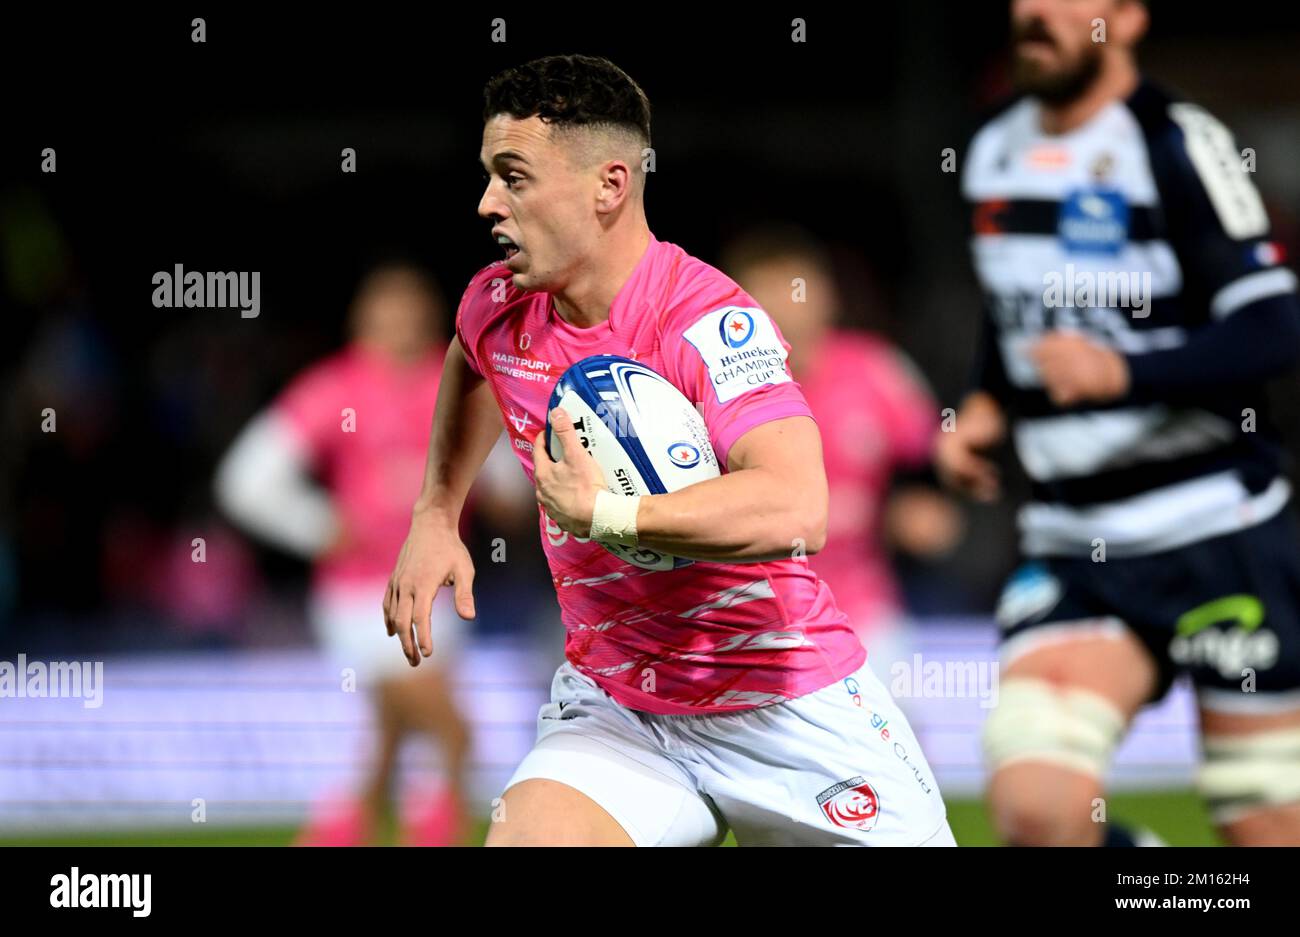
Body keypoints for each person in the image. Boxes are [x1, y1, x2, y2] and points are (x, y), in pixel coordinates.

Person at [383, 54, 954, 846]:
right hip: (619, 708)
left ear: (609, 186)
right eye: (487, 176)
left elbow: (797, 505)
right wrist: (436, 511)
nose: (488, 203)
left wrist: (610, 513)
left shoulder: (710, 320)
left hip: (782, 701)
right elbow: (470, 359)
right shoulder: (499, 303)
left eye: (513, 177)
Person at [939, 0, 1300, 845]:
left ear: (1126, 18)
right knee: (1038, 810)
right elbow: (1012, 312)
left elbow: (1272, 323)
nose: (1037, 13)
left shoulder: (1175, 140)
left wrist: (1126, 371)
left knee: (1265, 816)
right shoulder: (993, 148)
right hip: (1074, 537)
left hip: (1217, 526)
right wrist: (986, 401)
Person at [216, 263, 523, 845]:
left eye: (410, 313)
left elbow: (505, 480)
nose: (399, 326)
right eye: (387, 313)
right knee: (452, 732)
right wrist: (318, 526)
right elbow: (245, 480)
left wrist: (510, 490)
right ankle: (435, 832)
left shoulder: (453, 379)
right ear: (362, 321)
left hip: (440, 587)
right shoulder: (334, 388)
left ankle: (342, 830)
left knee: (391, 737)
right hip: (361, 593)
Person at [721, 226, 962, 678]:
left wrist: (919, 504)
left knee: (897, 726)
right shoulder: (716, 389)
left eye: (795, 290)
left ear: (827, 296)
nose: (784, 309)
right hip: (748, 618)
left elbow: (933, 457)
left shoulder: (875, 369)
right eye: (764, 294)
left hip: (863, 611)